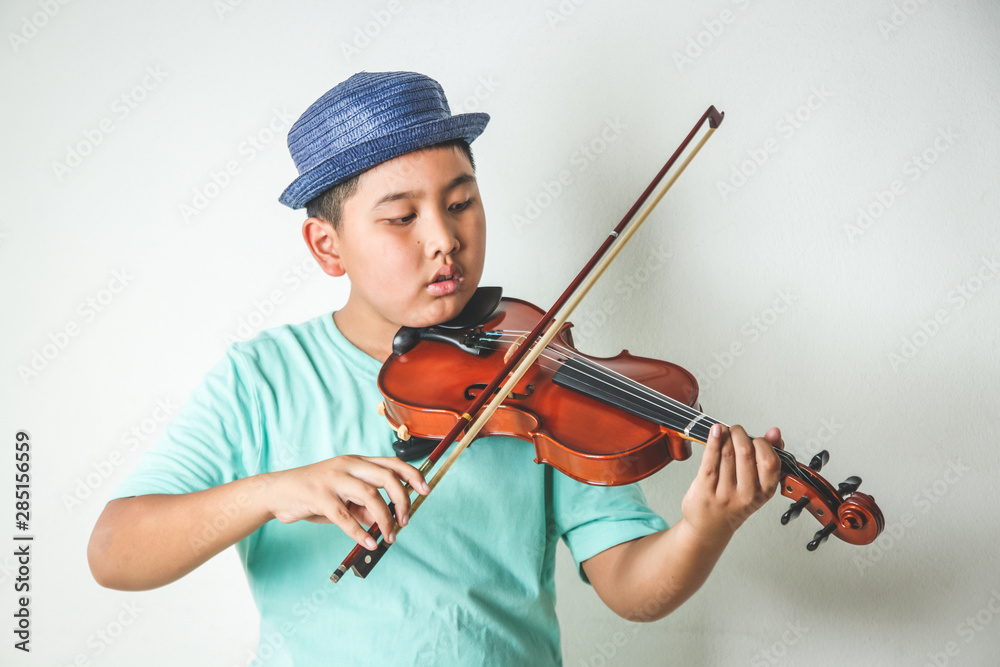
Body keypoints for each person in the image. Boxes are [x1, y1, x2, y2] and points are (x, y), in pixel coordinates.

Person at [88, 71, 784, 666]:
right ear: (327, 246)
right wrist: (273, 490)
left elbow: (631, 585)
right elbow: (116, 549)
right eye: (400, 218)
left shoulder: (538, 372)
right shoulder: (264, 377)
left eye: (461, 203)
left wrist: (704, 528)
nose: (444, 240)